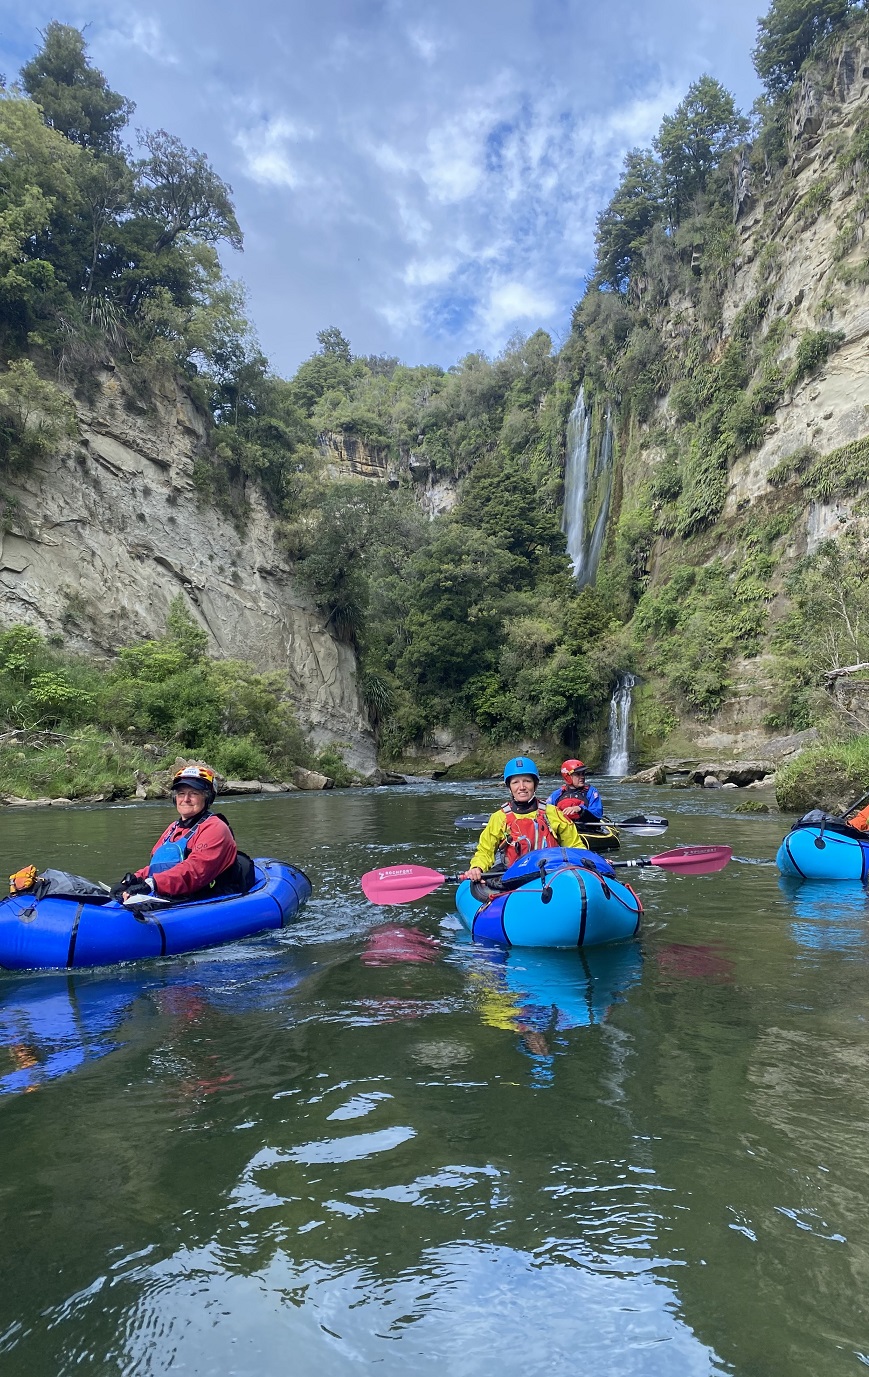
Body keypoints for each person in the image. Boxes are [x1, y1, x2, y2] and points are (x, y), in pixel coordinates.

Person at [111, 765, 249, 904]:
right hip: (170, 894)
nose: (186, 799)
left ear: (207, 798)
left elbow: (196, 871)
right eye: (181, 793)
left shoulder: (216, 828)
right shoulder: (173, 828)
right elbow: (157, 866)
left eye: (194, 793)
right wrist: (134, 879)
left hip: (204, 899)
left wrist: (152, 884)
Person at [461, 756, 585, 883]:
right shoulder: (499, 817)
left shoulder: (553, 813)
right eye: (515, 782)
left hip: (552, 876)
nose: (522, 787)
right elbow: (485, 851)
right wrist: (477, 867)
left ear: (535, 785)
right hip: (514, 879)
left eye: (527, 781)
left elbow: (576, 847)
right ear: (509, 787)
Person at [545, 759, 603, 827]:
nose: (582, 777)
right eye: (578, 774)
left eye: (583, 774)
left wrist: (580, 809)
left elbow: (597, 813)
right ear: (568, 776)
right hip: (563, 828)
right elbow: (546, 810)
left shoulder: (591, 792)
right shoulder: (557, 794)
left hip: (586, 829)